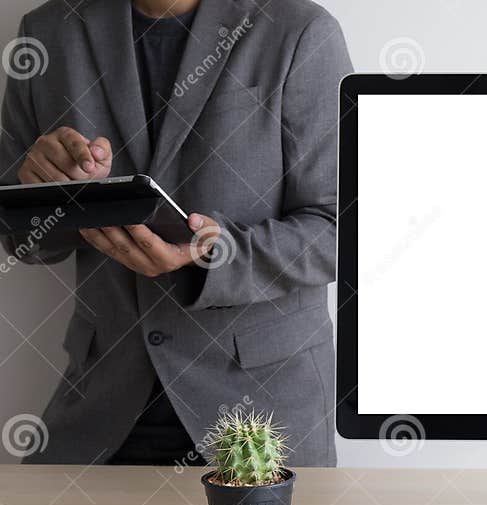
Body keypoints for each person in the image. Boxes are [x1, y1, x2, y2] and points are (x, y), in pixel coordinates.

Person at [0, 0, 352, 466]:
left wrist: (214, 257)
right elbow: (23, 244)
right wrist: (46, 193)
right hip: (99, 416)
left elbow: (345, 228)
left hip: (262, 423)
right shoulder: (46, 31)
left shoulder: (302, 30)